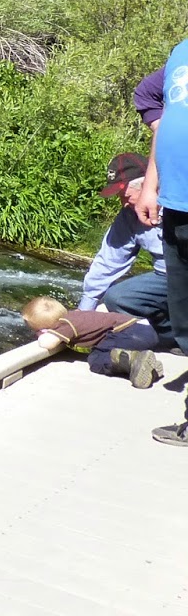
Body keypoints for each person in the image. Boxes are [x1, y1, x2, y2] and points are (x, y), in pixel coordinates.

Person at [136, 37, 188, 447]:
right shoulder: (180, 52)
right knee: (185, 318)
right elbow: (166, 116)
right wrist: (151, 184)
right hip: (176, 204)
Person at [80, 152, 170, 343]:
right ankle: (172, 337)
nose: (123, 203)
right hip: (165, 279)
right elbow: (107, 262)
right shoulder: (129, 215)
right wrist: (82, 315)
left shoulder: (178, 201)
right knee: (117, 298)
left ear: (148, 186)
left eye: (126, 196)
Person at [20, 296, 162, 386]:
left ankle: (133, 361)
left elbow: (46, 343)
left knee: (97, 358)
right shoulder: (75, 315)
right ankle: (147, 365)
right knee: (107, 346)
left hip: (130, 333)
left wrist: (43, 334)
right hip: (144, 330)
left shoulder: (65, 324)